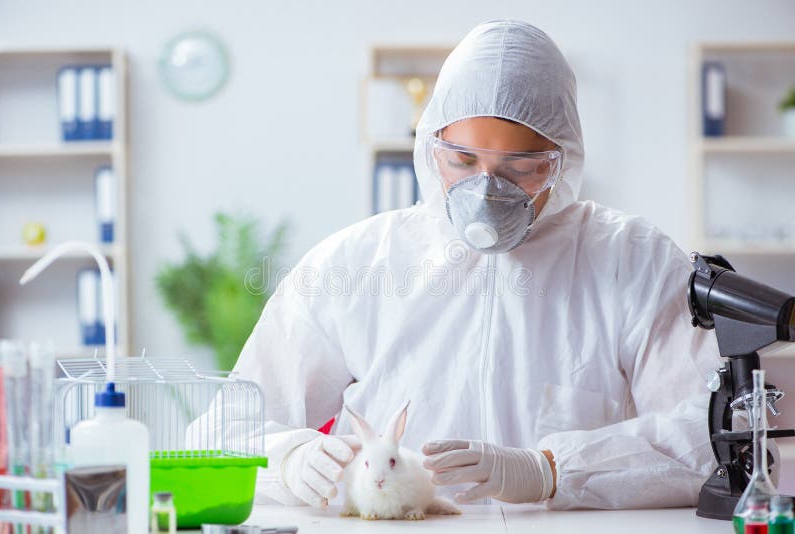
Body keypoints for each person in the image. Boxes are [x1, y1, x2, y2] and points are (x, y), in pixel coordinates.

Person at [226, 19, 727, 510]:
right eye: (463, 161)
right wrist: (288, 458)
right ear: (430, 146)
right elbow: (226, 428)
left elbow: (718, 437)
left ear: (563, 158)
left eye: (521, 168)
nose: (487, 190)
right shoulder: (357, 262)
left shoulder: (633, 259)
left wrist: (553, 470)